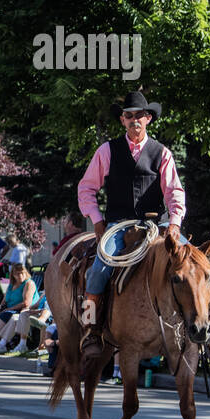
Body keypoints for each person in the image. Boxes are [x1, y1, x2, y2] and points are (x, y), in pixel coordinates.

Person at [76, 91, 187, 355]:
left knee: (193, 262)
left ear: (148, 118)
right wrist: (98, 220)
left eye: (139, 115)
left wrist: (174, 223)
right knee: (99, 269)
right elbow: (86, 188)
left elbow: (174, 192)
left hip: (155, 225)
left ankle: (198, 325)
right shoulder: (107, 150)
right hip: (117, 224)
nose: (134, 119)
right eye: (129, 116)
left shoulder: (162, 153)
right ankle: (91, 328)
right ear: (122, 121)